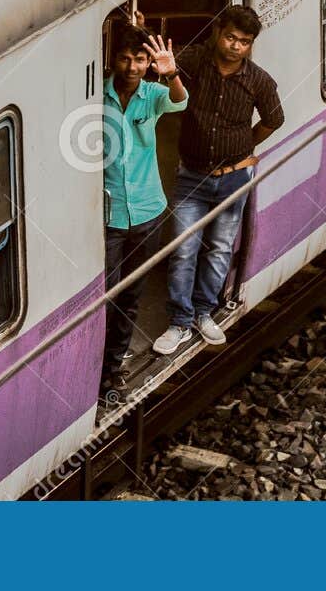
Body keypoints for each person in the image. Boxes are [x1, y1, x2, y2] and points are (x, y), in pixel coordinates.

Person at [153, 5, 284, 354]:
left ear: (251, 44)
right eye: (230, 37)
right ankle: (179, 322)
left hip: (234, 179)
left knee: (220, 250)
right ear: (217, 33)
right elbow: (166, 65)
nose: (235, 46)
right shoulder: (196, 61)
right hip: (191, 177)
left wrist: (246, 146)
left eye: (244, 41)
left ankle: (202, 313)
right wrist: (163, 65)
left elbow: (274, 118)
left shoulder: (259, 81)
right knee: (183, 249)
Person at [100, 28, 187, 394]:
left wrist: (170, 73)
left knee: (130, 294)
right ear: (113, 58)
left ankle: (111, 369)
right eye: (125, 58)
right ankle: (90, 365)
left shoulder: (153, 94)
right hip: (109, 215)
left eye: (140, 59)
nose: (132, 66)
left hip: (148, 211)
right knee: (103, 292)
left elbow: (179, 101)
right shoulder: (95, 96)